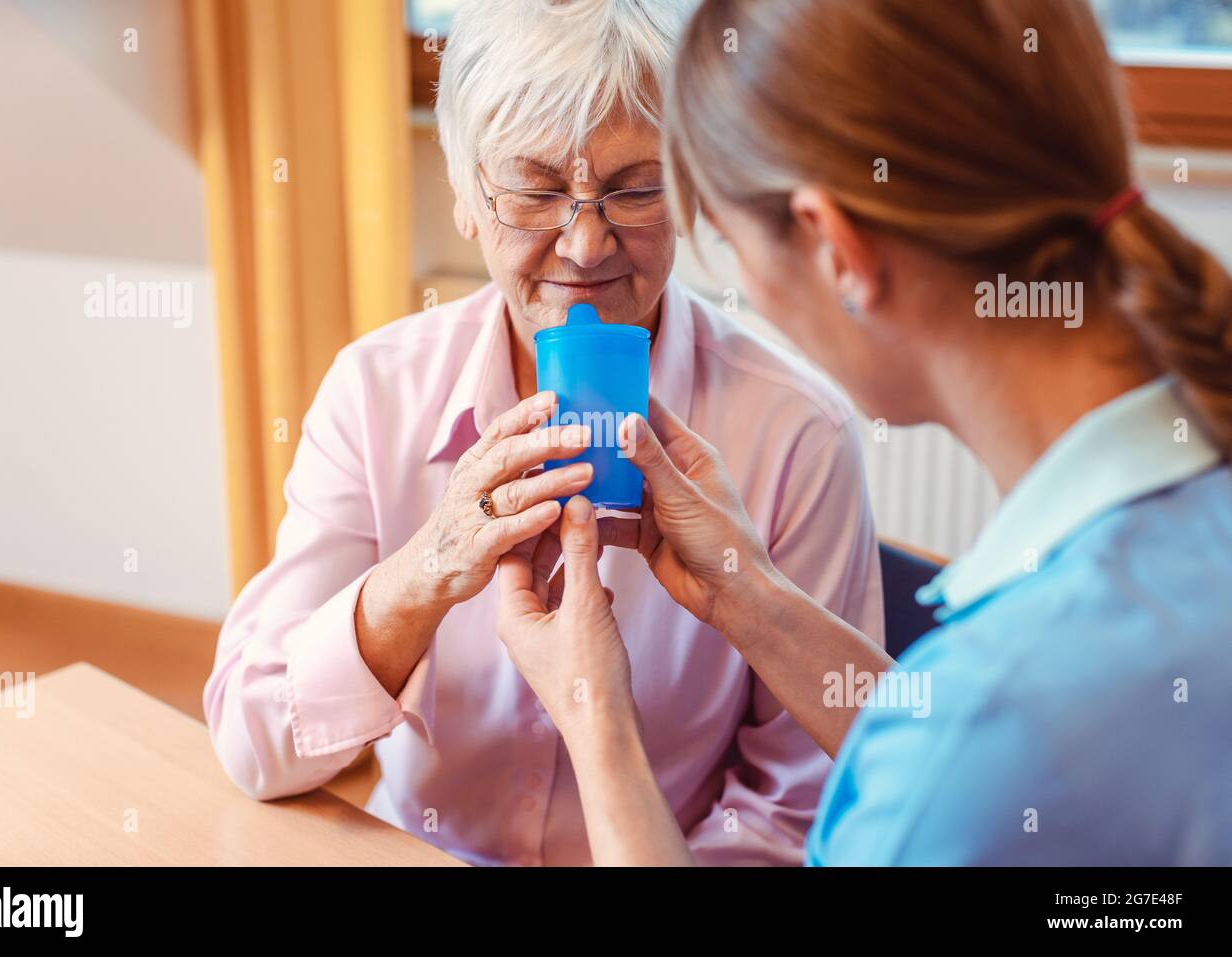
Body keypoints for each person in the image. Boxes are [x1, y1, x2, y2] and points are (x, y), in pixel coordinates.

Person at [496, 0, 1232, 865]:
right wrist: (750, 598)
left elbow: (966, 763)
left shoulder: (980, 733)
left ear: (836, 249)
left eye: (729, 245)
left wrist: (595, 718)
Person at [204, 0, 883, 866]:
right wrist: (423, 574)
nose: (587, 240)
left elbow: (797, 818)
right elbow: (251, 737)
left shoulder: (795, 432)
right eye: (535, 189)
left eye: (636, 188)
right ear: (466, 197)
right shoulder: (375, 392)